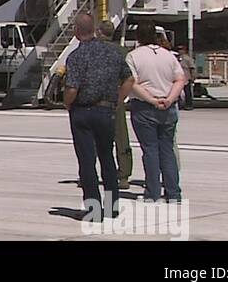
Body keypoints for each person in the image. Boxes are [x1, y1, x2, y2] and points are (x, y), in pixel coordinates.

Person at [63, 14, 135, 220]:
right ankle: (112, 206)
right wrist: (117, 99)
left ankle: (94, 210)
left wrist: (67, 103)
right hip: (106, 111)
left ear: (77, 31)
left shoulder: (76, 56)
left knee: (87, 162)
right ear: (93, 30)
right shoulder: (112, 53)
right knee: (107, 158)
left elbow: (72, 88)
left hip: (83, 113)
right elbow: (129, 79)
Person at [126, 22, 186, 203]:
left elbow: (132, 83)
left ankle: (152, 192)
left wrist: (152, 100)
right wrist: (169, 99)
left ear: (138, 37)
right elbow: (180, 78)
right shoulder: (168, 55)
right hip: (168, 106)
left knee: (150, 150)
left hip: (145, 107)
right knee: (167, 150)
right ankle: (173, 193)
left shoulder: (133, 56)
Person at [97, 20, 133, 190]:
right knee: (121, 137)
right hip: (116, 98)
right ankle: (124, 174)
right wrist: (121, 98)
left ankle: (97, 172)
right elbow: (129, 77)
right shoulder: (121, 51)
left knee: (97, 139)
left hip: (97, 100)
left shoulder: (94, 51)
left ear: (99, 32)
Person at [176, 45, 196, 110]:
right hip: (178, 77)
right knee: (177, 92)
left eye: (181, 49)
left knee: (187, 92)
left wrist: (193, 77)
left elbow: (192, 68)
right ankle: (179, 104)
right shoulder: (176, 58)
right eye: (179, 49)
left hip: (186, 77)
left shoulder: (188, 58)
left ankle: (189, 104)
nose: (180, 51)